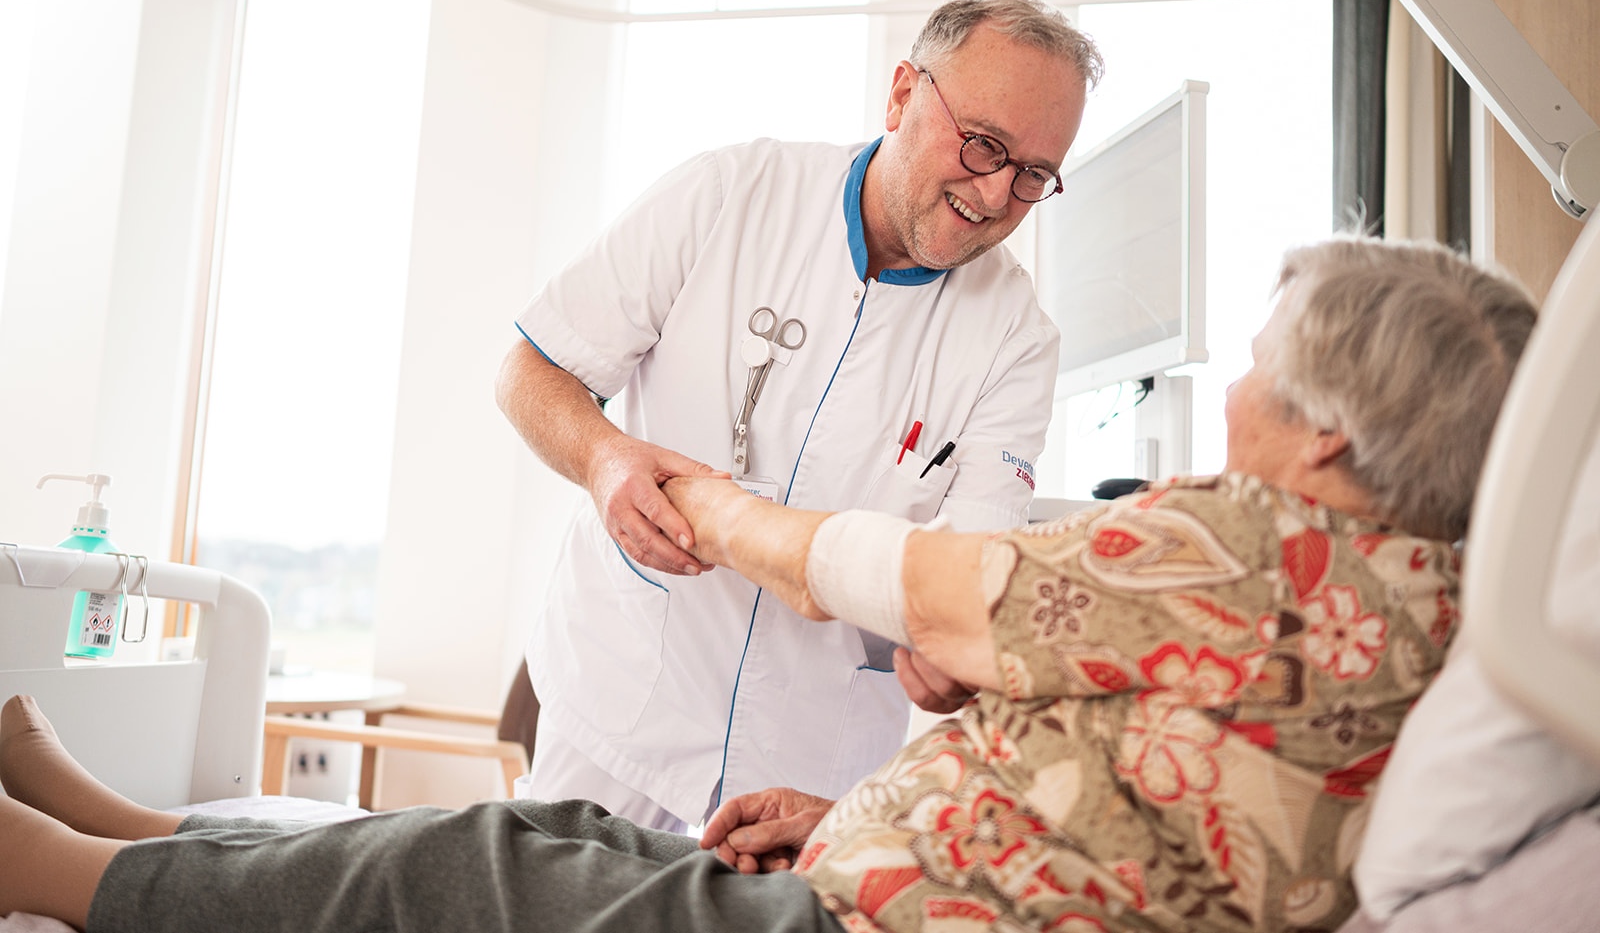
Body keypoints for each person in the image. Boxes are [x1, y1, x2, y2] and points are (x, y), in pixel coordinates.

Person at [0, 237, 1536, 933]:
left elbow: (945, 582)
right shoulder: (1417, 593)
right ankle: (139, 840)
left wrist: (725, 512)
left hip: (901, 909)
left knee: (468, 879)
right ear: (906, 102)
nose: (1232, 402)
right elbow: (1152, 786)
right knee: (549, 829)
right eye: (980, 144)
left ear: (1328, 439)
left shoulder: (1267, 550)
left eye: (1260, 375)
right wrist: (862, 815)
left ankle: (54, 876)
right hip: (893, 861)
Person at [494, 0, 1103, 830]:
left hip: (810, 772)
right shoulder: (731, 195)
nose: (997, 192)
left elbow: (965, 575)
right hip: (620, 710)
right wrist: (603, 457)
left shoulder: (1016, 339)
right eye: (984, 145)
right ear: (901, 95)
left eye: (1033, 173)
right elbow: (534, 366)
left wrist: (957, 655)